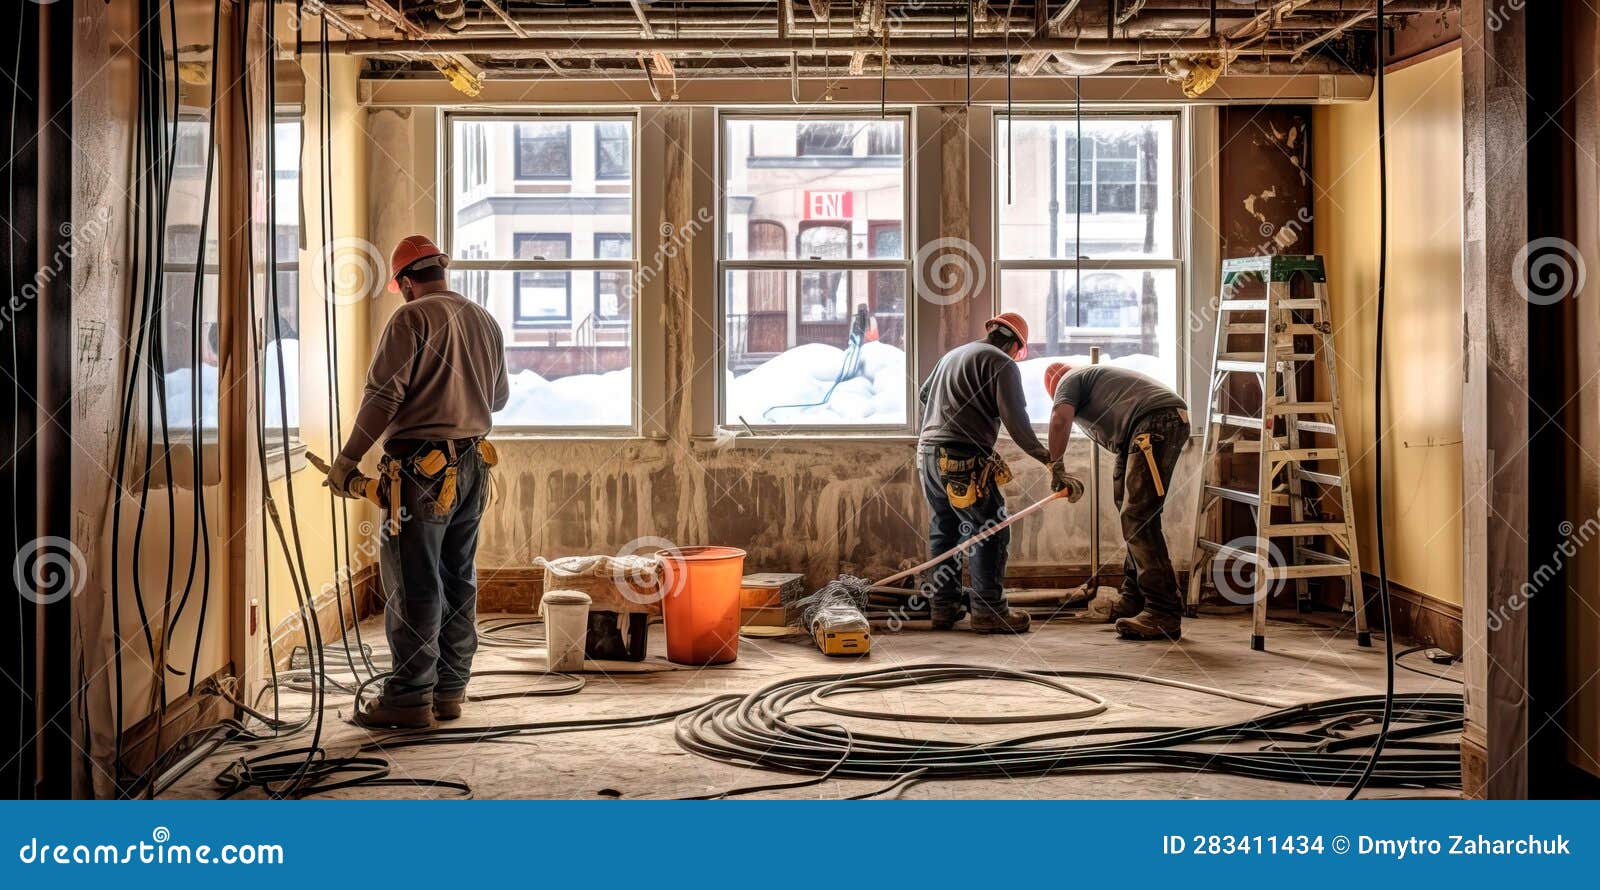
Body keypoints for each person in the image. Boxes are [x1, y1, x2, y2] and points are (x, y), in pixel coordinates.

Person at [325, 235, 509, 729]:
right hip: (472, 467)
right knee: (457, 577)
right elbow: (501, 398)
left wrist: (347, 461)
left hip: (421, 475)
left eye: (400, 285)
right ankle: (448, 691)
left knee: (414, 583)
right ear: (440, 271)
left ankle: (408, 701)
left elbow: (383, 399)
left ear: (406, 282)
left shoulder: (410, 318)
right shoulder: (483, 319)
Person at [917, 313, 1081, 634]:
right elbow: (1016, 422)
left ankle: (943, 607)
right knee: (990, 529)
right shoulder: (1002, 364)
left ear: (990, 330)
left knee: (944, 530)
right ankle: (988, 611)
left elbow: (926, 395)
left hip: (927, 453)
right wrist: (1050, 461)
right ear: (1017, 346)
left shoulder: (952, 355)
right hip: (963, 457)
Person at [1044, 362, 1189, 641]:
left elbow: (1059, 419)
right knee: (1130, 512)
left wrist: (1056, 466)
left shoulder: (1067, 380)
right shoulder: (1095, 383)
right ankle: (1134, 598)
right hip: (1145, 427)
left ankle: (1163, 611)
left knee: (1137, 517)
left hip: (1155, 421)